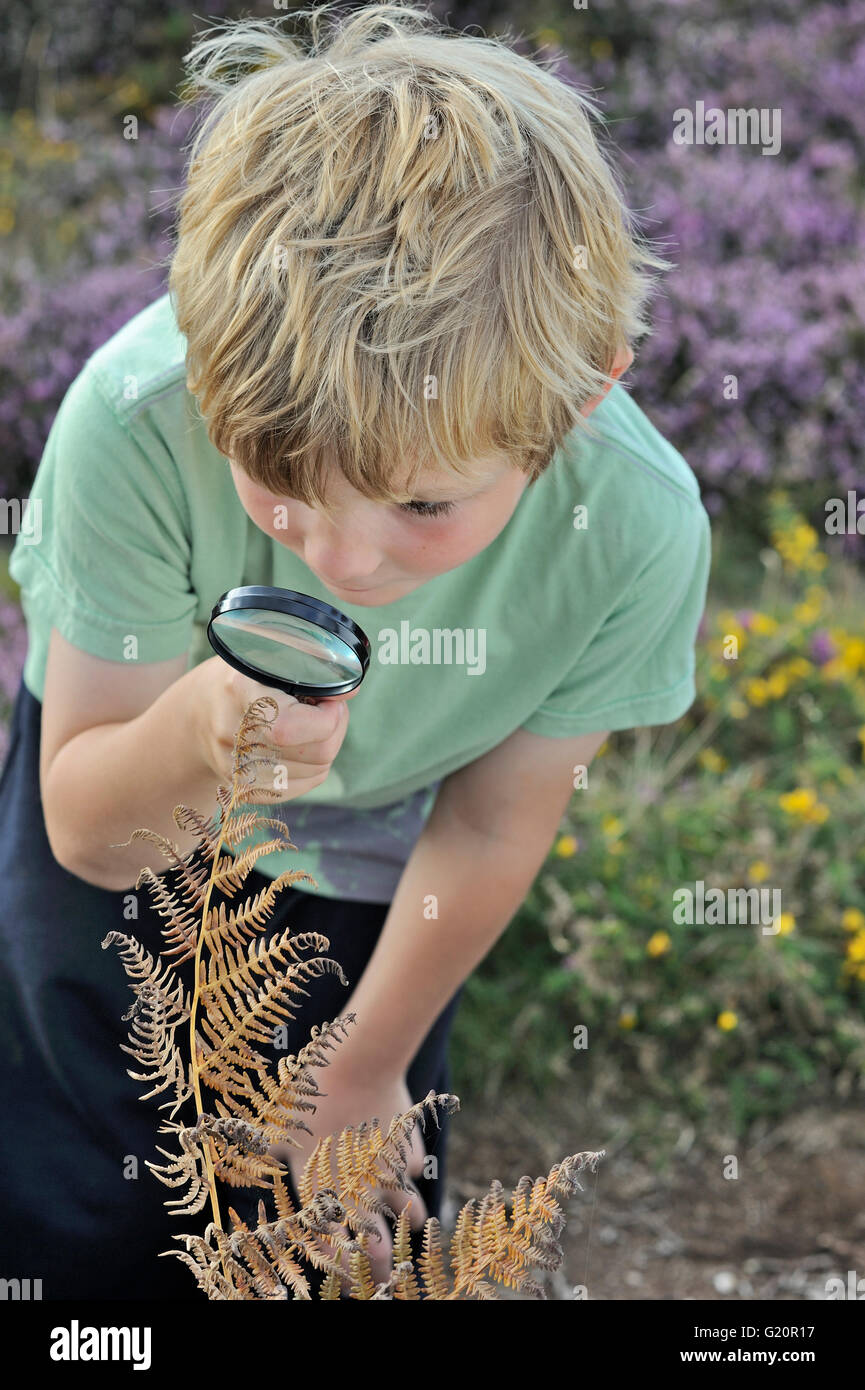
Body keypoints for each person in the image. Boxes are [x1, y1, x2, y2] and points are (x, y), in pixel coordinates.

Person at [0, 1, 711, 1300]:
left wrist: (365, 1059)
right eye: (275, 485)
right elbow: (89, 829)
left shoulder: (636, 531)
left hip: (394, 860)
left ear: (585, 393)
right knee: (73, 1206)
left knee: (340, 1234)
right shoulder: (133, 419)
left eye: (423, 506)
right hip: (123, 805)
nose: (343, 563)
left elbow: (490, 828)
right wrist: (202, 736)